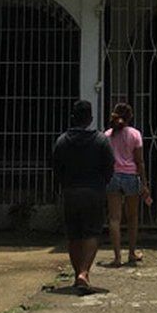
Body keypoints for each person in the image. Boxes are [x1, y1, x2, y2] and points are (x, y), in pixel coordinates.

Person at [50, 99, 114, 294]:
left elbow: (56, 167)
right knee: (92, 232)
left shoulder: (62, 141)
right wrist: (101, 183)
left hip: (71, 191)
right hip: (93, 191)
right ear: (91, 118)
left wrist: (64, 185)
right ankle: (84, 272)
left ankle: (77, 272)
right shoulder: (101, 140)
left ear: (73, 117)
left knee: (74, 234)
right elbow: (109, 167)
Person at [103, 101, 149, 267]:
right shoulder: (135, 134)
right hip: (130, 176)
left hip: (113, 176)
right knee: (132, 217)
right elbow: (139, 161)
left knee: (114, 218)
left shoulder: (107, 135)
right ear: (130, 117)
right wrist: (144, 182)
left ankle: (116, 257)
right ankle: (131, 252)